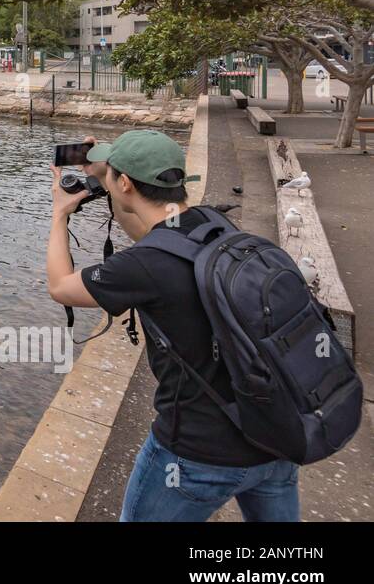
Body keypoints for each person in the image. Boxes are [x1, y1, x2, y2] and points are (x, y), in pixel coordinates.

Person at [45, 129, 300, 521]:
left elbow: (61, 287)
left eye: (115, 173)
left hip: (198, 454)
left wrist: (60, 211)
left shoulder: (143, 267)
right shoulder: (213, 223)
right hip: (274, 436)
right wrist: (109, 179)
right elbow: (156, 236)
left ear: (126, 183)